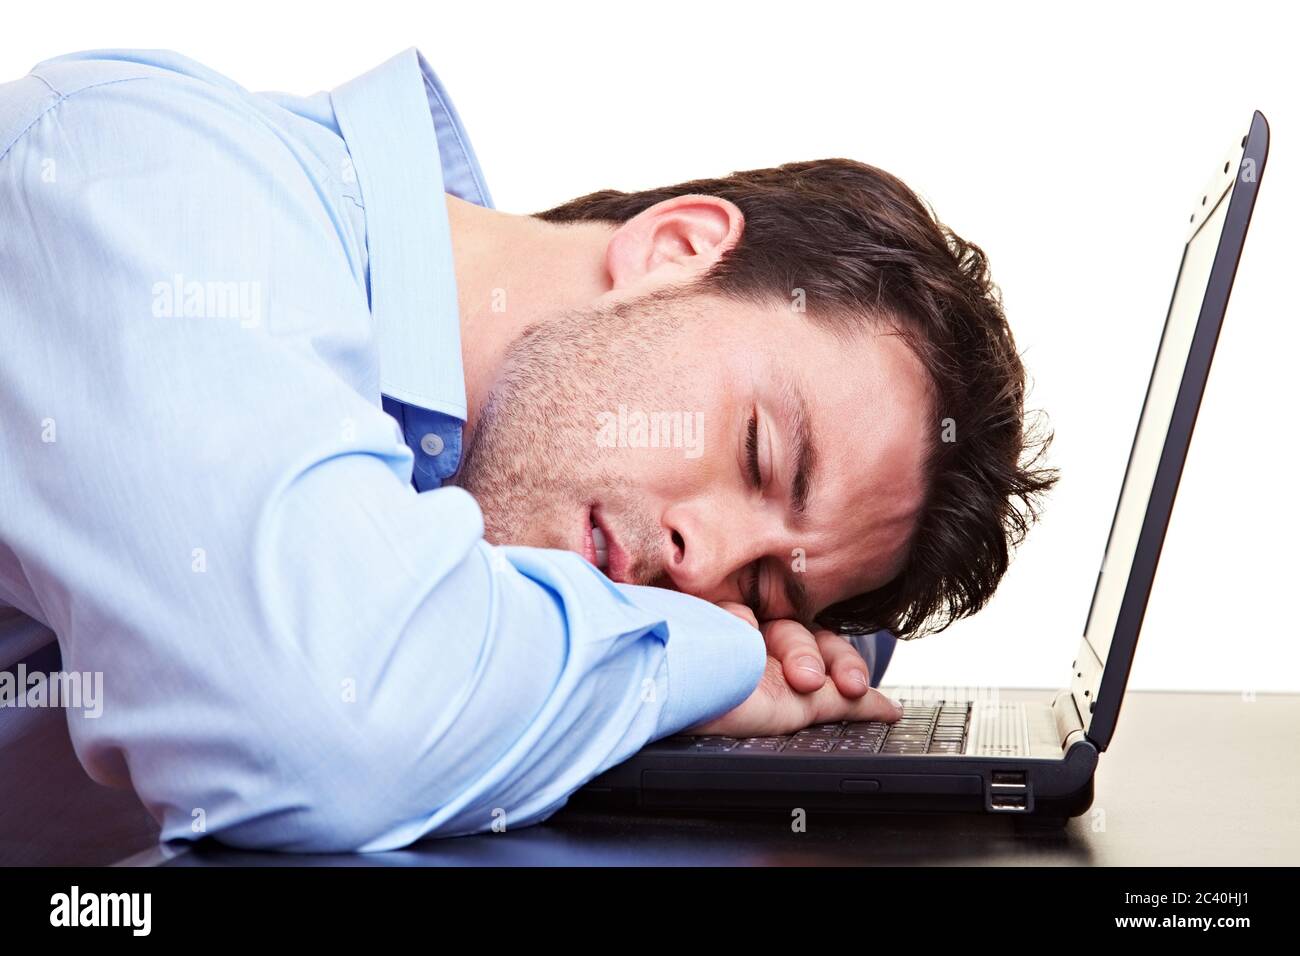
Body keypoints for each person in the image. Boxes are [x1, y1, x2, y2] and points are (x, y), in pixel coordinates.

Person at [0, 47, 1057, 851]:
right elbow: (322, 729)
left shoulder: (472, 468)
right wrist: (717, 656)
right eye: (753, 449)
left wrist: (811, 653)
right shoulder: (150, 177)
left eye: (766, 584)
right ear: (674, 250)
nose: (697, 559)